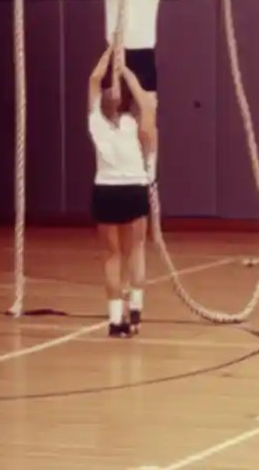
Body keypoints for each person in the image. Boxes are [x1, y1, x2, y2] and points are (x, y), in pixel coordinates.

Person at [86, 45, 155, 338]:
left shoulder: (95, 123)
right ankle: (134, 311)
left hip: (107, 192)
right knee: (135, 250)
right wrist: (126, 72)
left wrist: (108, 55)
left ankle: (117, 322)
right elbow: (148, 104)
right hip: (133, 189)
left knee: (112, 255)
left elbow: (93, 79)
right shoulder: (135, 123)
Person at [83, 0, 174, 132]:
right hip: (117, 52)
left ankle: (145, 156)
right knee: (112, 106)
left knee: (146, 107)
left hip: (143, 53)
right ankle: (116, 148)